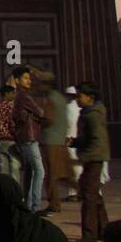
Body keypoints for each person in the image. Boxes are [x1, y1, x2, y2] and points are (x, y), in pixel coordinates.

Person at [69, 80, 110, 242]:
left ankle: (90, 233)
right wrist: (75, 142)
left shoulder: (93, 115)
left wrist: (86, 155)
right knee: (93, 194)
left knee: (89, 195)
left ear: (90, 97)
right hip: (93, 156)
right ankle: (104, 230)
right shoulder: (88, 112)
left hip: (94, 158)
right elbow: (88, 138)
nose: (77, 99)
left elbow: (97, 139)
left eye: (80, 96)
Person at [11, 66, 48, 211]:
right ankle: (35, 205)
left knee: (30, 171)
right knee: (39, 170)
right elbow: (40, 112)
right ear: (17, 80)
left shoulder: (18, 96)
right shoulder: (24, 96)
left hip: (24, 136)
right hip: (29, 137)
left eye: (29, 78)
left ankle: (27, 203)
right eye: (25, 78)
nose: (29, 81)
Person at [39, 82, 73, 216]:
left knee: (52, 175)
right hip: (61, 140)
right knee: (66, 173)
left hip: (51, 142)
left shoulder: (51, 100)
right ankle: (86, 193)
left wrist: (38, 120)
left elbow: (48, 120)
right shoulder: (62, 102)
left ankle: (54, 205)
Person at [0, 84, 19, 180]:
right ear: (6, 94)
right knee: (15, 166)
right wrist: (17, 136)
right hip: (11, 139)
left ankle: (5, 189)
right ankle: (15, 189)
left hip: (0, 140)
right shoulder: (10, 107)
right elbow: (12, 123)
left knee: (4, 167)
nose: (14, 95)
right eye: (12, 93)